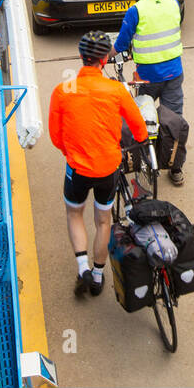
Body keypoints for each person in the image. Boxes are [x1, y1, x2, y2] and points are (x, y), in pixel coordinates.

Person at [49, 31, 148, 297]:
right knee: (103, 221)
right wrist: (140, 139)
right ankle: (97, 274)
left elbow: (56, 137)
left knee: (74, 214)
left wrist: (71, 153)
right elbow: (138, 127)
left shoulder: (63, 90)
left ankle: (81, 266)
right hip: (108, 168)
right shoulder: (116, 90)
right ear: (105, 59)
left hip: (77, 169)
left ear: (81, 56)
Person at [114, 0, 187, 184]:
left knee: (143, 119)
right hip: (174, 73)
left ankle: (145, 157)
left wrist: (106, 55)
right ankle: (175, 168)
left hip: (147, 78)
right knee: (173, 120)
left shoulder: (136, 10)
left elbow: (120, 43)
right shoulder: (173, 4)